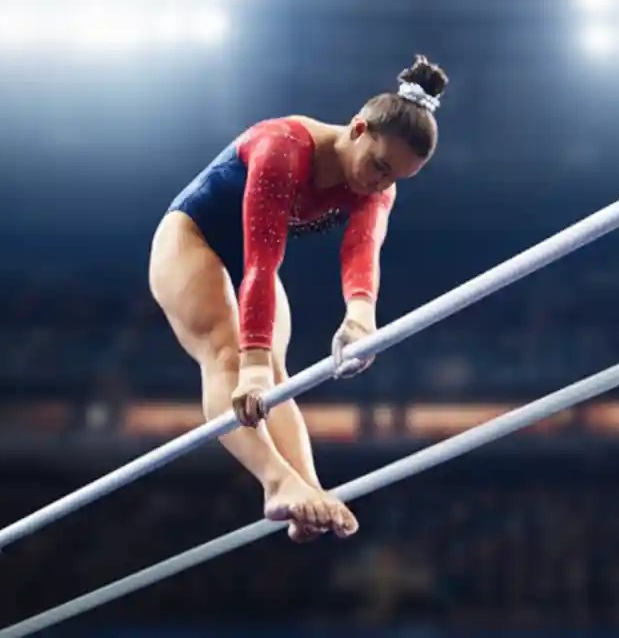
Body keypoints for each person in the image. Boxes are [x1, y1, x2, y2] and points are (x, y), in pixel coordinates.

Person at [149, 55, 449, 542]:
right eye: (377, 166)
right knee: (231, 355)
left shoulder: (376, 189)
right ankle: (275, 483)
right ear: (357, 129)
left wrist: (360, 318)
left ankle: (309, 492)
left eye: (394, 178)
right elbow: (263, 263)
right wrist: (249, 367)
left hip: (247, 260)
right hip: (192, 238)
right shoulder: (282, 148)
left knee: (276, 375)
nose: (379, 184)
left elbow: (361, 253)